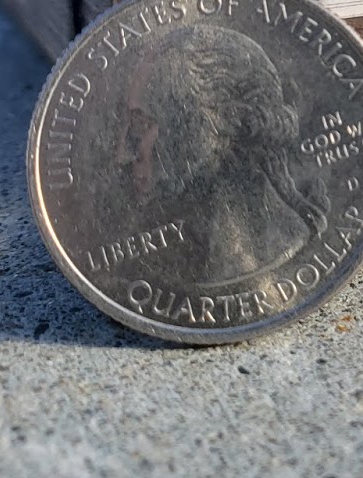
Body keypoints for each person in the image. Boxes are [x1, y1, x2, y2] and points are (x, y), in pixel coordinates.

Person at [115, 23, 329, 286]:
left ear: (204, 126)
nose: (122, 155)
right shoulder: (180, 245)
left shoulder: (251, 249)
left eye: (142, 124)